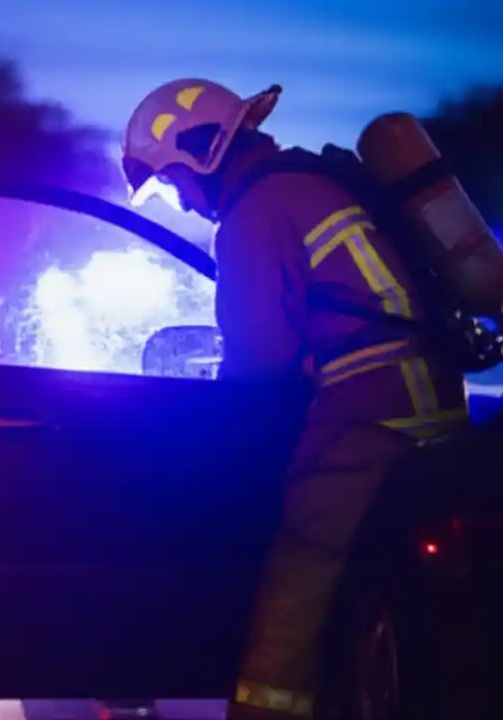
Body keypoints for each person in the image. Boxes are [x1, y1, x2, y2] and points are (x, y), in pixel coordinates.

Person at [121, 78, 468, 719]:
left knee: (302, 563)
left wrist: (211, 431)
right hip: (424, 394)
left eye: (172, 182)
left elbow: (260, 359)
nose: (182, 200)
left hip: (372, 409)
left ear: (200, 152)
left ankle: (265, 712)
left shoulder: (258, 210)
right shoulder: (305, 182)